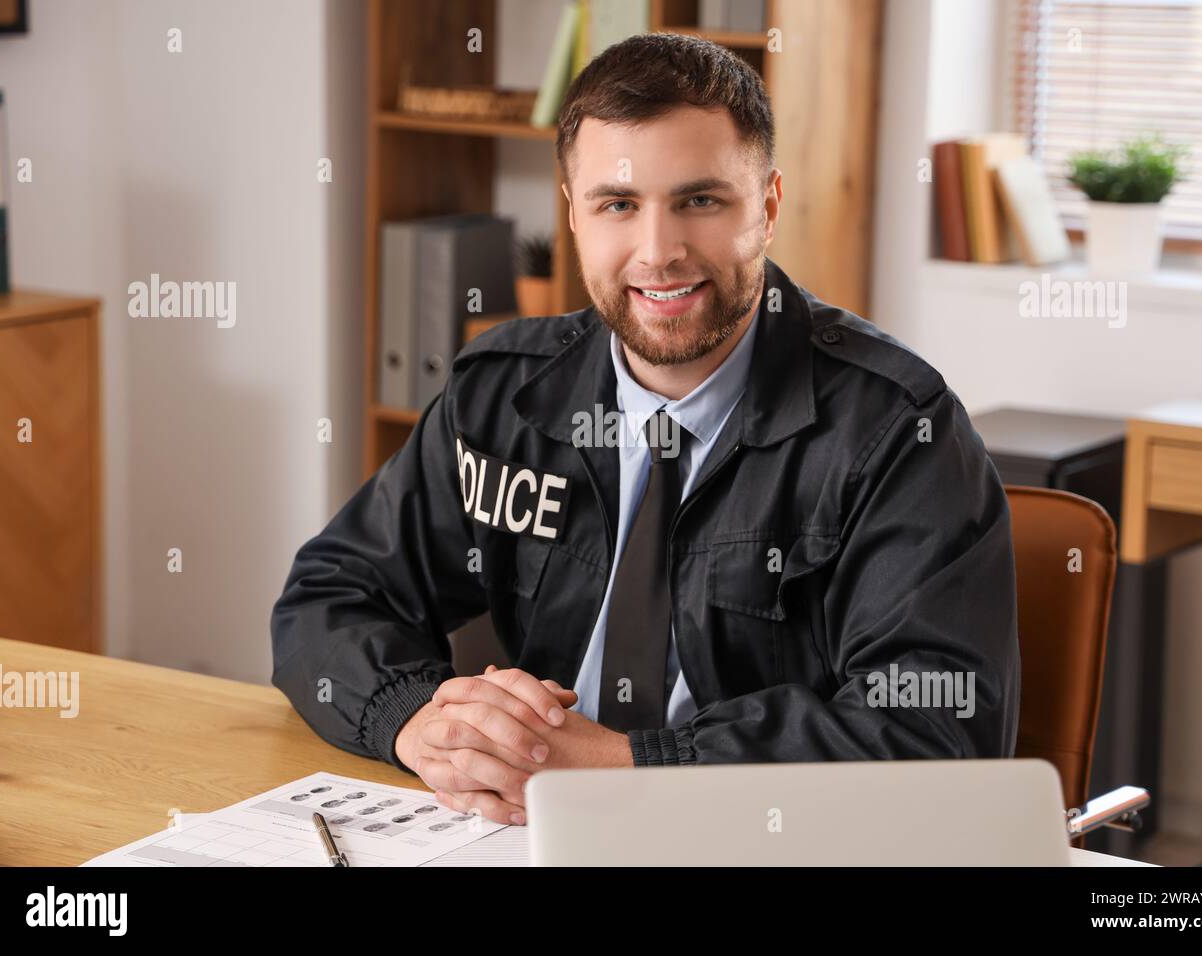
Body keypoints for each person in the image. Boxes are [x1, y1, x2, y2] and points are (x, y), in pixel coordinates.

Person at [270, 33, 1019, 826]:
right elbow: (328, 599)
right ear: (573, 213)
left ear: (766, 207)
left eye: (700, 200)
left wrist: (629, 769)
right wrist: (420, 724)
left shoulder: (897, 430)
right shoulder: (498, 394)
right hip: (522, 835)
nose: (658, 254)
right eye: (619, 205)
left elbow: (937, 735)